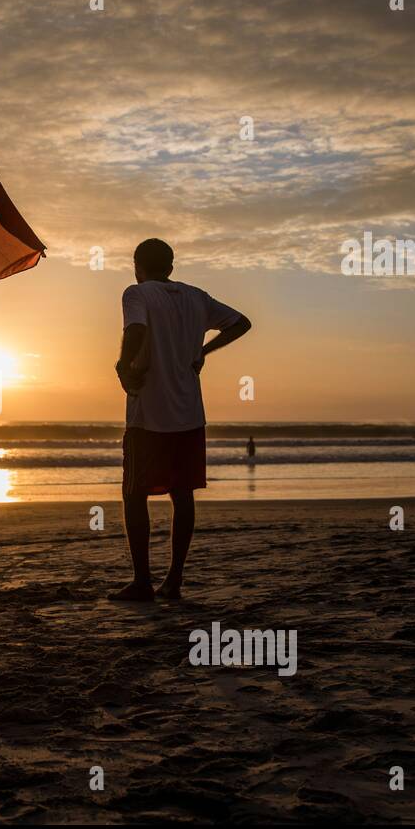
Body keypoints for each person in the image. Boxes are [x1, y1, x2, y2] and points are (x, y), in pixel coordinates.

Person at [112, 238, 251, 601]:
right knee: (183, 494)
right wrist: (203, 350)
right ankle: (174, 579)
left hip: (147, 414)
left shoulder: (136, 294)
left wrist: (122, 365)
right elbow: (241, 323)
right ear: (171, 267)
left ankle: (143, 581)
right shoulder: (196, 297)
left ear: (137, 266)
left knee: (134, 494)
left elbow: (136, 330)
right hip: (189, 414)